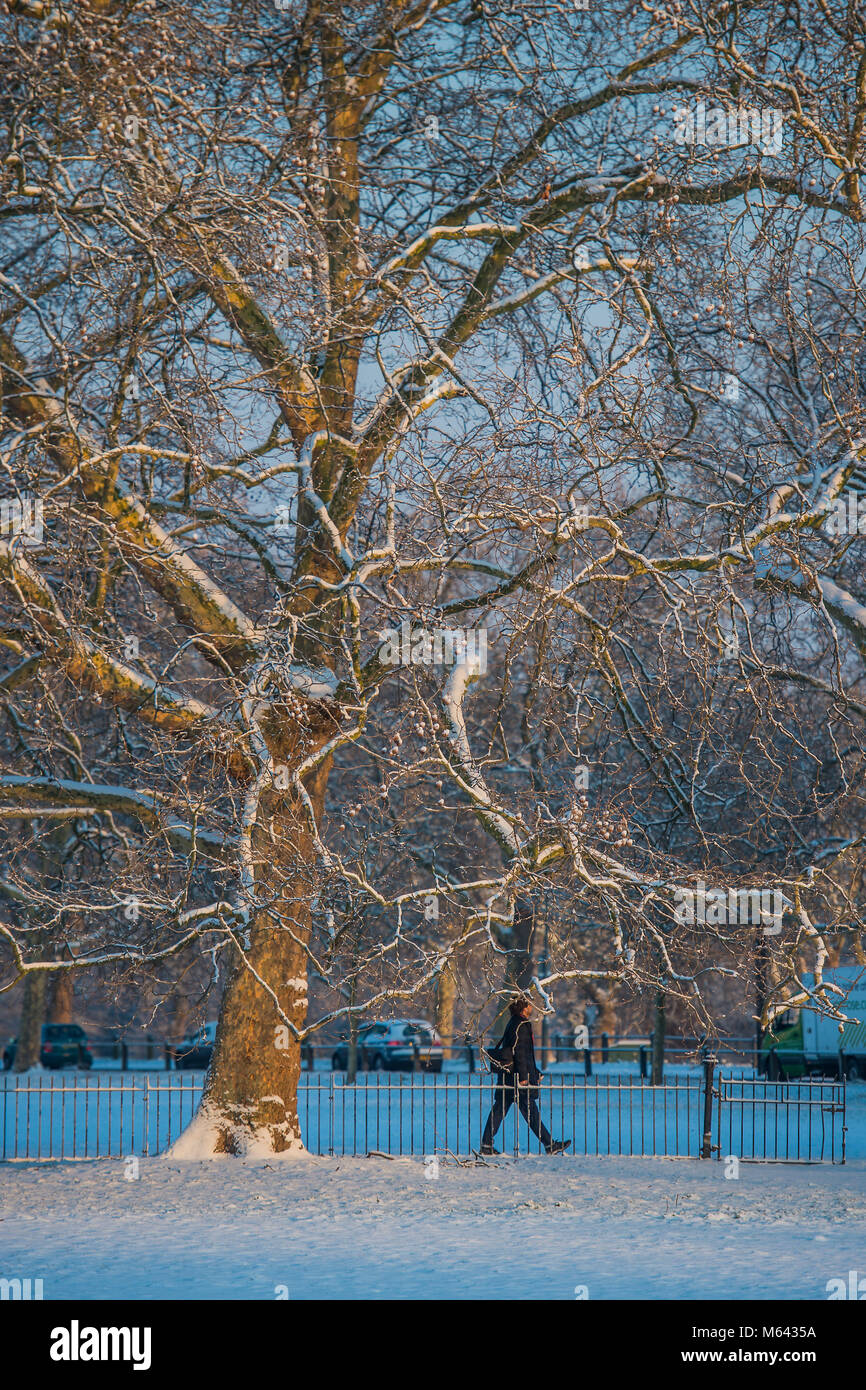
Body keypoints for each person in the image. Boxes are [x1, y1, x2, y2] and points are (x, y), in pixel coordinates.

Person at [480, 995, 571, 1155]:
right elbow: (521, 1053)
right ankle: (550, 1145)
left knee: (501, 1110)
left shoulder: (513, 1022)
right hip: (518, 1079)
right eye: (530, 1004)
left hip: (508, 1076)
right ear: (524, 1007)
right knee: (529, 1112)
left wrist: (535, 1072)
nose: (532, 1007)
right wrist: (524, 1077)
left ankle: (486, 1144)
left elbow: (522, 1053)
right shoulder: (522, 1024)